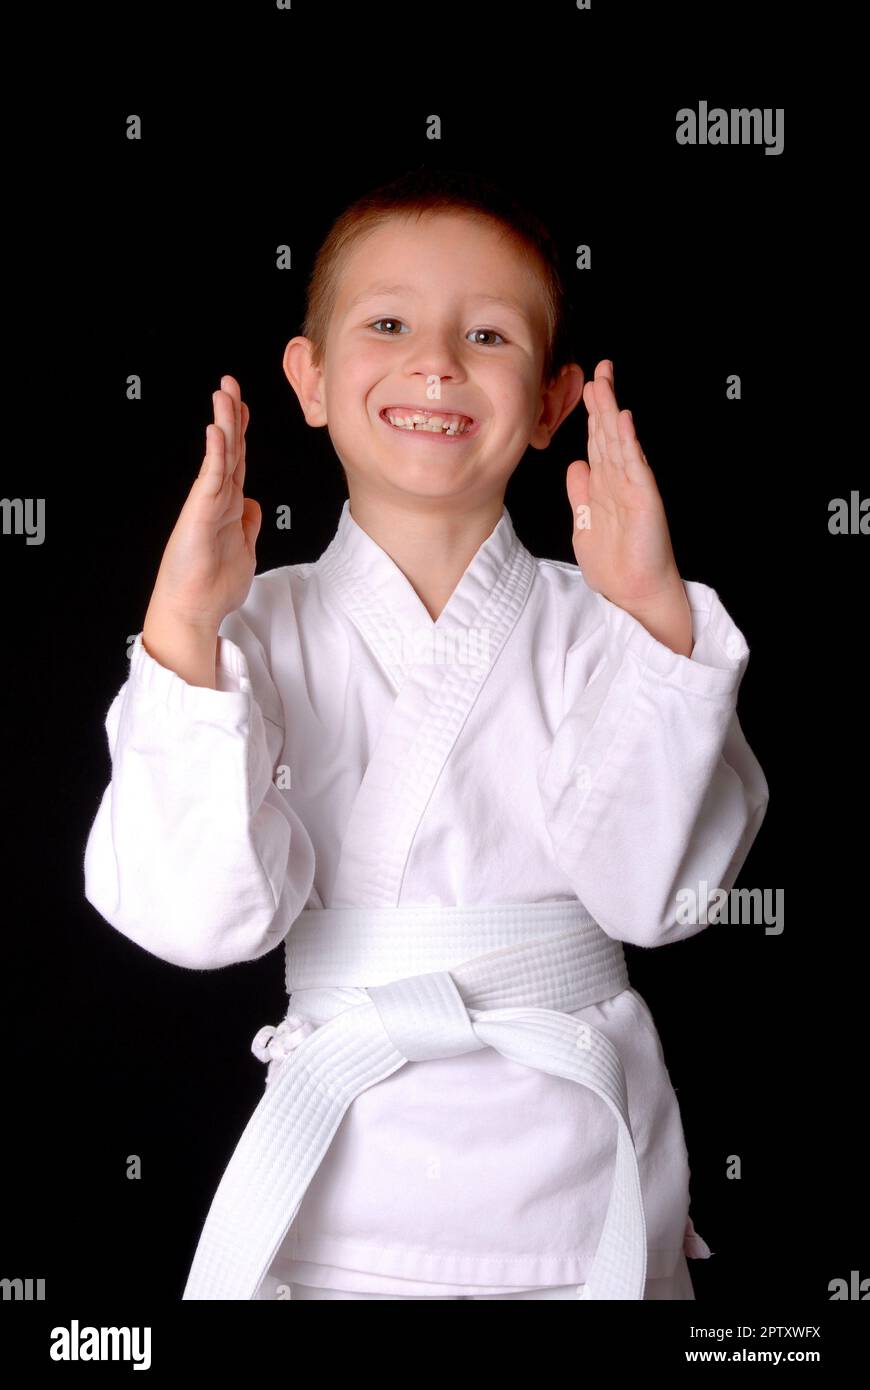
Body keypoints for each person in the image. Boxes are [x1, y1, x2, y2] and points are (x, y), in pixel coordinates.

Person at [83, 167, 769, 1301]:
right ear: (307, 378)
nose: (437, 361)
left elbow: (654, 900)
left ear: (553, 403)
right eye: (388, 322)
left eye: (489, 335)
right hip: (342, 1174)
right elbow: (194, 922)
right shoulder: (253, 627)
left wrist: (654, 609)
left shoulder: (611, 627)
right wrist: (185, 630)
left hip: (577, 1173)